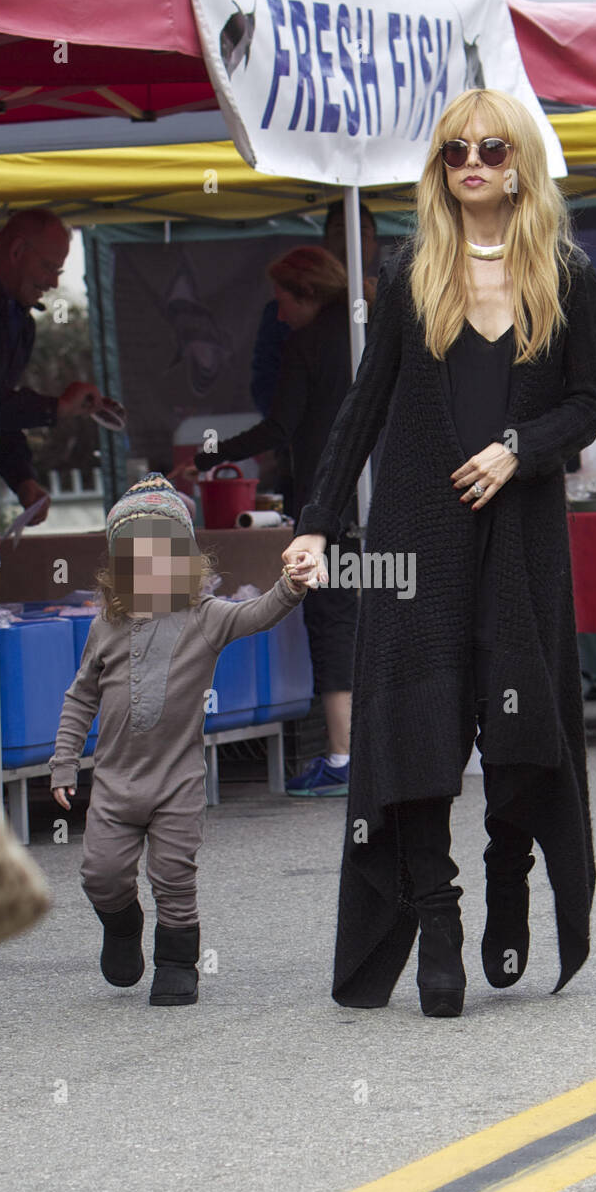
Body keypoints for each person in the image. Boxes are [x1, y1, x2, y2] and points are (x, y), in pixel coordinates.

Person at [283, 87, 596, 1018]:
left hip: (522, 540)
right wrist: (317, 520)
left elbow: (592, 402)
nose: (474, 163)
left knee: (521, 723)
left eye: (493, 149)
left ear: (519, 164)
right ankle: (437, 920)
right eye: (457, 151)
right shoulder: (413, 270)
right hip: (418, 540)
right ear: (441, 168)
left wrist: (520, 448)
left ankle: (511, 885)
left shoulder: (569, 275)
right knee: (416, 727)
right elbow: (361, 408)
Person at [48, 473, 314, 1005]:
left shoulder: (206, 617)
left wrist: (291, 586)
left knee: (173, 876)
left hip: (177, 782)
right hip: (115, 783)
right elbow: (80, 698)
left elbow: (256, 614)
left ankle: (176, 963)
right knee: (100, 874)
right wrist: (63, 763)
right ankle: (123, 928)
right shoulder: (106, 625)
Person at [194, 247, 372, 795]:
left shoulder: (307, 343)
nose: (278, 315)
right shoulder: (370, 335)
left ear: (309, 294)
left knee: (332, 619)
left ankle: (343, 757)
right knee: (384, 617)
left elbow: (280, 426)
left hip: (330, 502)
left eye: (282, 301)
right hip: (381, 494)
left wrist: (207, 456)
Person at [0, 209, 117, 603]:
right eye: (49, 267)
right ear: (17, 250)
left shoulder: (20, 320)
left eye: (59, 272)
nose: (52, 282)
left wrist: (21, 478)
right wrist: (55, 408)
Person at [247, 200, 379, 510]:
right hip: (309, 454)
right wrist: (290, 430)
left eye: (363, 231)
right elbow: (266, 381)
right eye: (340, 230)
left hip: (376, 451)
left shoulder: (386, 305)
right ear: (325, 240)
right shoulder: (284, 315)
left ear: (373, 242)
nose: (352, 238)